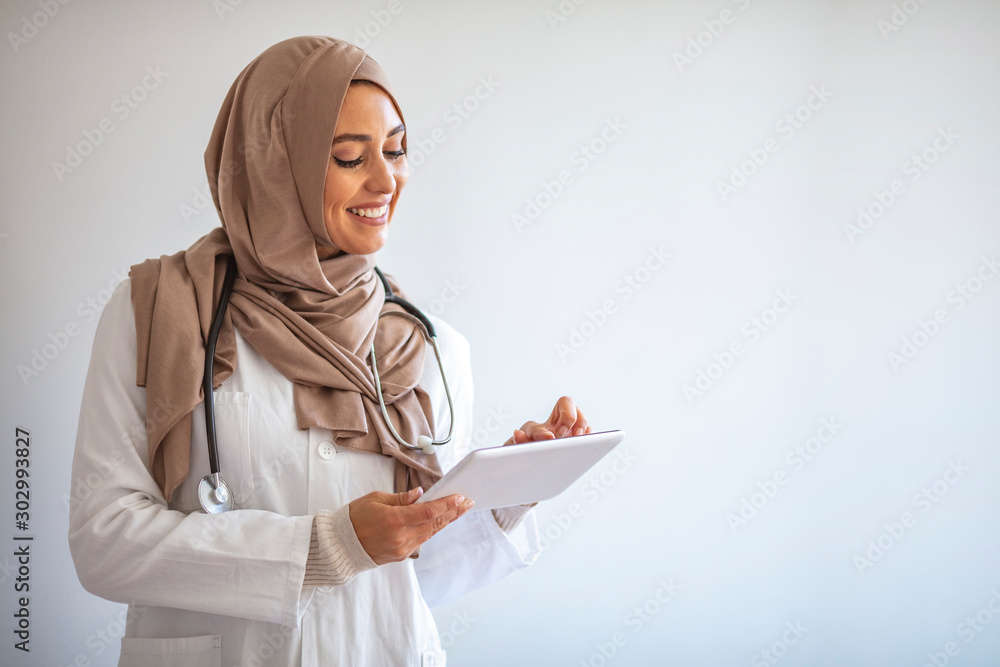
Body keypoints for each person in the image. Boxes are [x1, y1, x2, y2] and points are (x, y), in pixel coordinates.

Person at [67, 36, 591, 666]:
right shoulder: (159, 312)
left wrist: (505, 496)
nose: (385, 180)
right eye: (348, 157)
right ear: (271, 161)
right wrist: (326, 546)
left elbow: (417, 579)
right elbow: (104, 543)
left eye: (396, 151)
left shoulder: (429, 347)